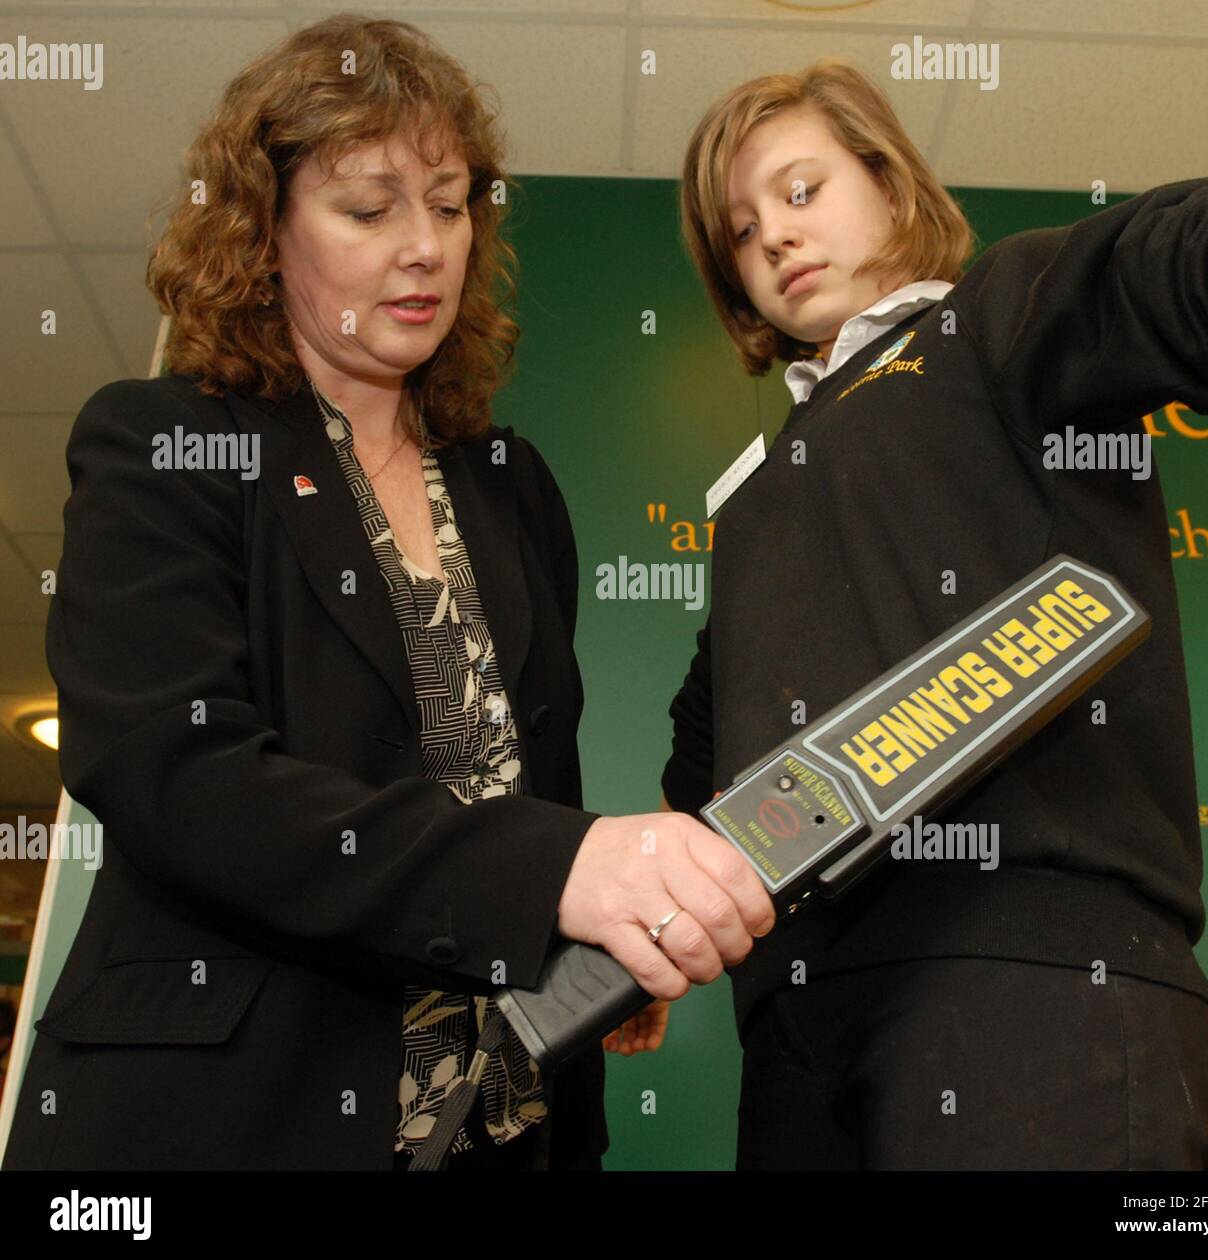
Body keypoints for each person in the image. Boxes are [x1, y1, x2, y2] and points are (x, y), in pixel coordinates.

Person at [1, 16, 771, 1174]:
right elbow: (179, 778)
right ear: (265, 232)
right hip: (236, 1118)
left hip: (499, 1120)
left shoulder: (512, 489)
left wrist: (583, 946)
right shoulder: (166, 441)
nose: (425, 249)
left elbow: (522, 786)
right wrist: (553, 873)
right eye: (369, 210)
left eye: (451, 205)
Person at [662, 58, 1208, 1170]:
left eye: (801, 190)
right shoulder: (755, 495)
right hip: (798, 1041)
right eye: (741, 228)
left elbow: (1164, 273)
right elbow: (706, 758)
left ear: (891, 185)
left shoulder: (995, 322)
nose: (771, 236)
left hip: (1039, 984)